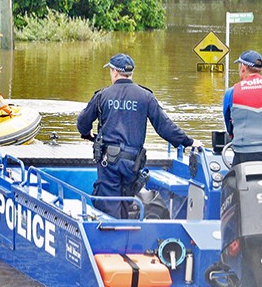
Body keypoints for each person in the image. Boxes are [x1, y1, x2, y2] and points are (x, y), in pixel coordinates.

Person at [77, 53, 203, 219]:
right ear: (131, 73)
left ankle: (113, 237)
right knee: (127, 199)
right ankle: (128, 233)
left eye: (110, 71)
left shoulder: (102, 96)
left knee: (109, 203)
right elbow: (164, 127)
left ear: (114, 72)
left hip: (109, 162)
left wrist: (87, 134)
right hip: (133, 163)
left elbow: (82, 123)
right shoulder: (146, 97)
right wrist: (189, 141)